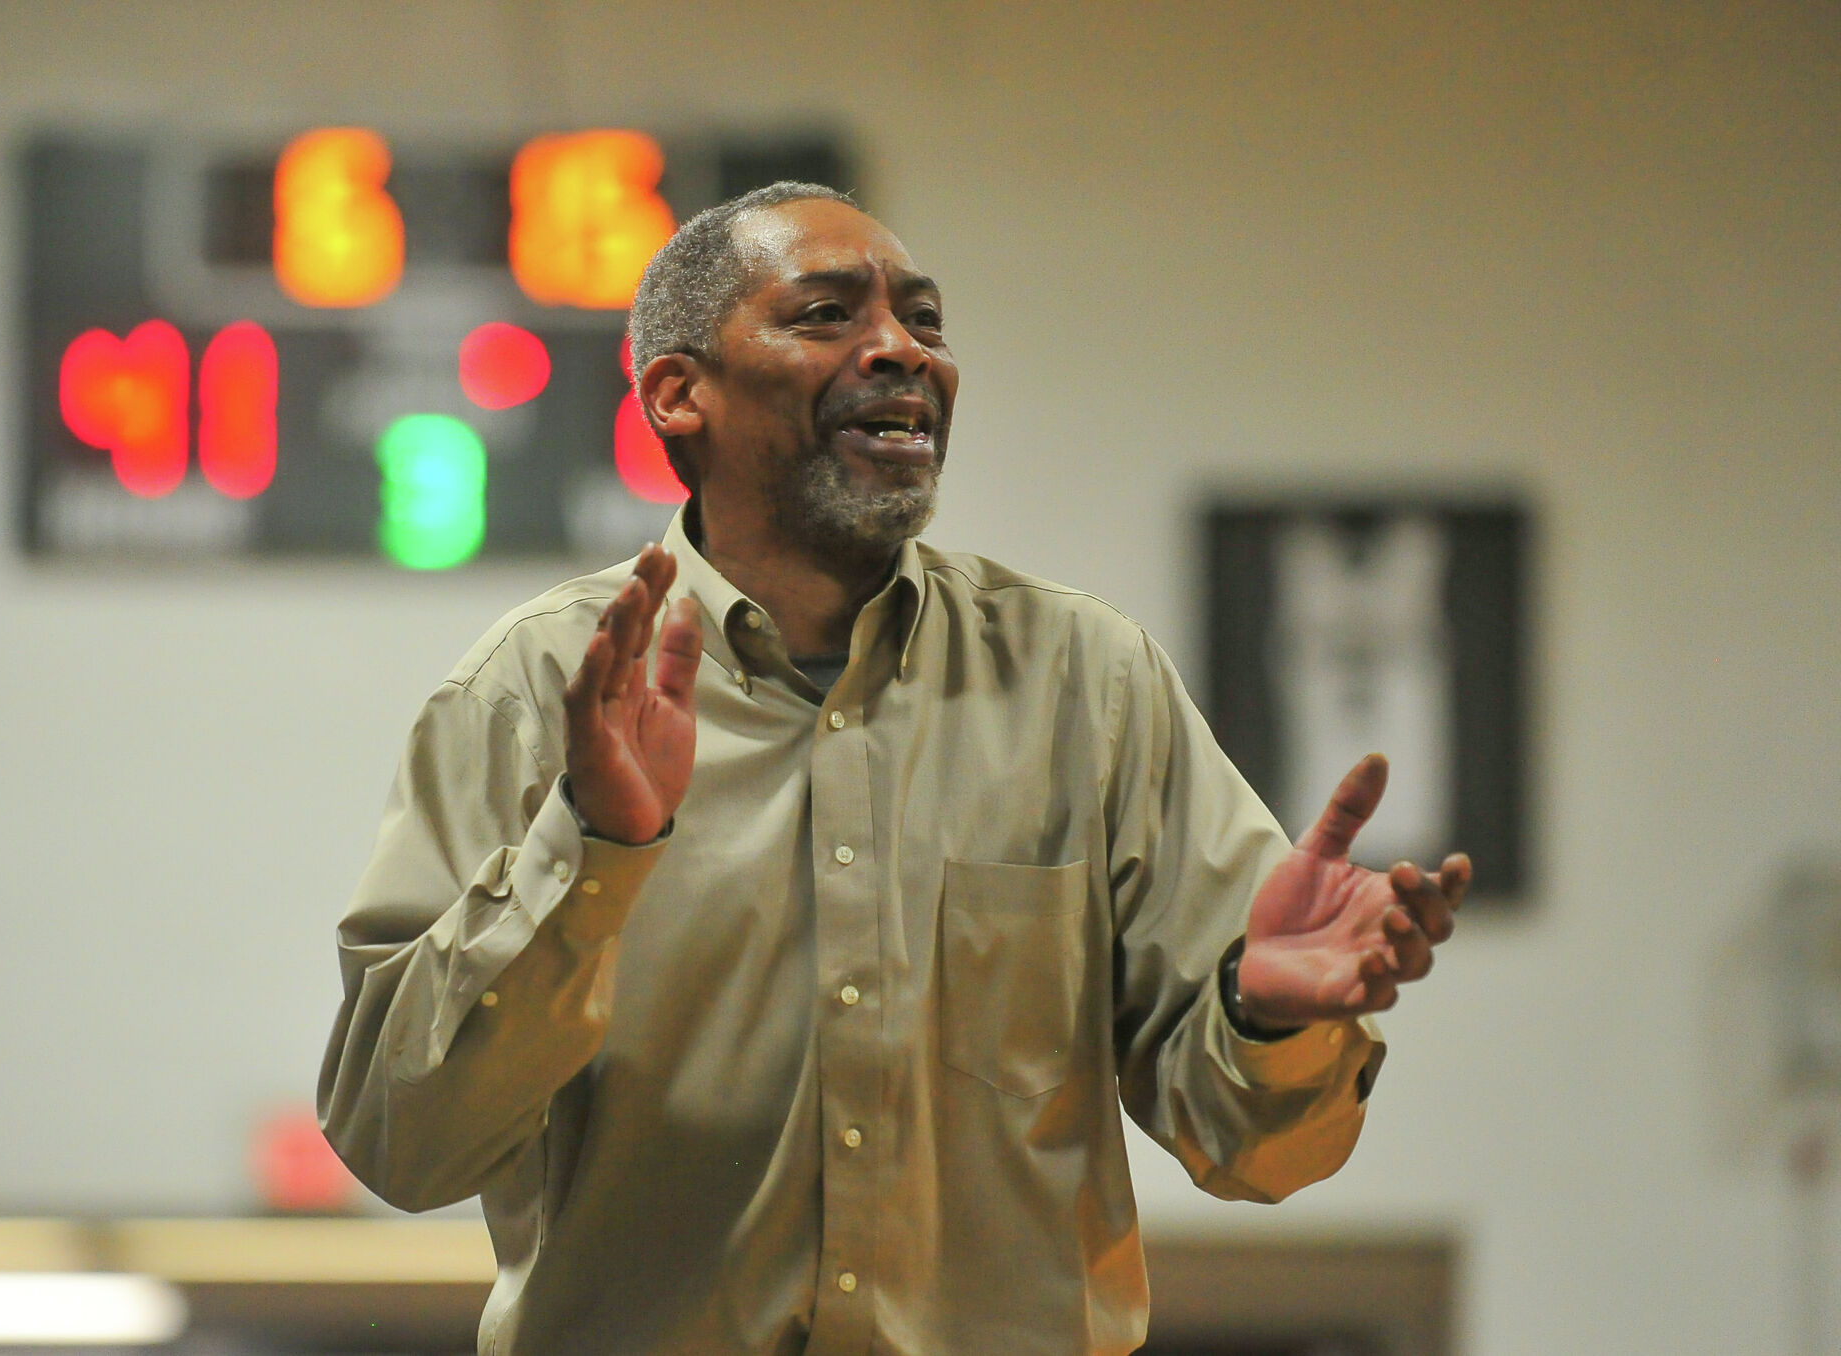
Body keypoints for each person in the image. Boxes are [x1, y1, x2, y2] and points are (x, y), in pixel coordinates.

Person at [318, 182, 1468, 1356]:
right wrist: (593, 850)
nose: (899, 352)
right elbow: (400, 1141)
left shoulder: (1084, 682)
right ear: (678, 395)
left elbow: (1260, 1151)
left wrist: (1259, 1017)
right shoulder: (536, 695)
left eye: (923, 322)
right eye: (826, 315)